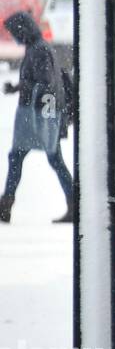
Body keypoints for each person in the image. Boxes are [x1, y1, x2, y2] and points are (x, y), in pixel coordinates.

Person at [1, 12, 73, 224]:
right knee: (45, 159)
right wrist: (17, 87)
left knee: (20, 158)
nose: (14, 36)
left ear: (23, 30)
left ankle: (6, 205)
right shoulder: (36, 47)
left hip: (36, 116)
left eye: (14, 32)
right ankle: (73, 203)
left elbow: (45, 82)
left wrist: (25, 89)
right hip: (38, 113)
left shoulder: (39, 49)